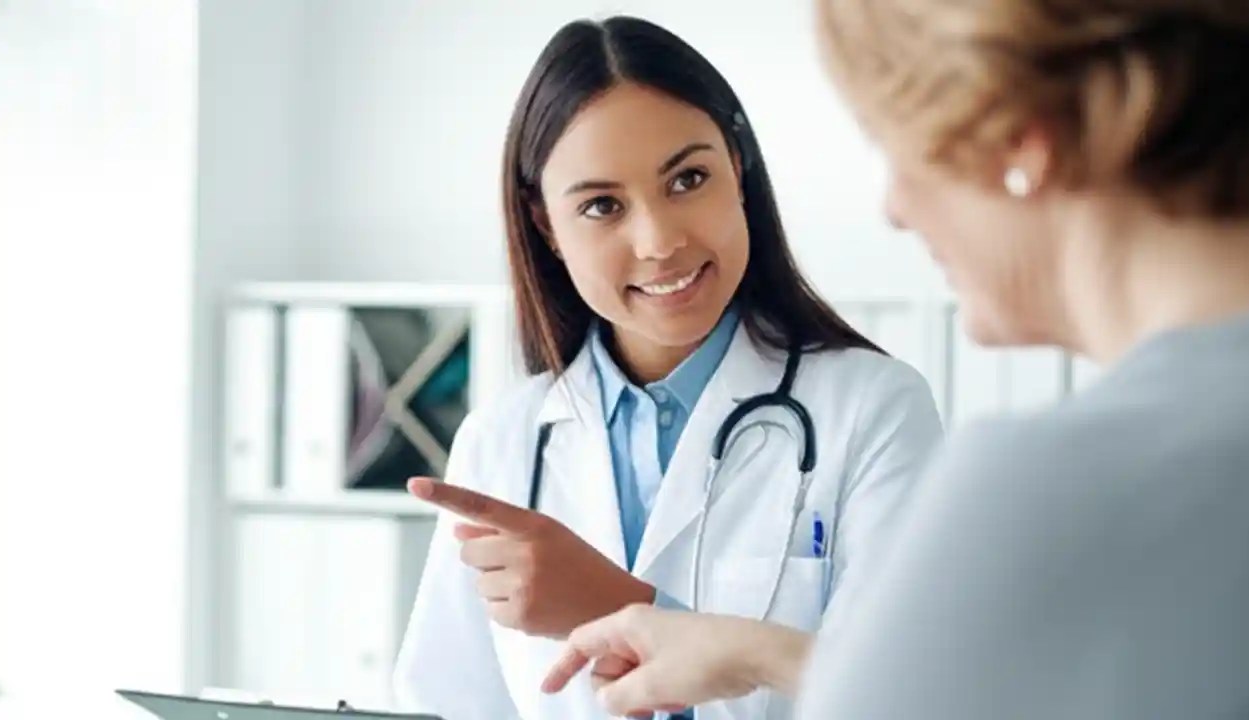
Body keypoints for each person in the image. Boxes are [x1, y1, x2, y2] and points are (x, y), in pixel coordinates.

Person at [543, 1, 1249, 718]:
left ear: (1018, 140)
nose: (895, 207)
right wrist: (757, 653)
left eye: (896, 145)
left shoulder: (1052, 491)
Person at [391, 15, 944, 720]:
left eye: (687, 179)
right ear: (545, 227)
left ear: (737, 170)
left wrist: (625, 608)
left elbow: (912, 698)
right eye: (601, 205)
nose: (658, 242)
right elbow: (445, 706)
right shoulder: (501, 441)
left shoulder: (872, 409)